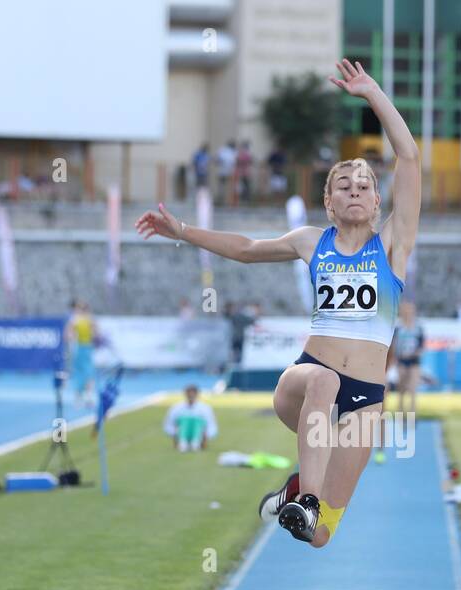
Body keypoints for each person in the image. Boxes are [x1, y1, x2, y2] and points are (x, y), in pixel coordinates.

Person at [136, 58, 419, 548]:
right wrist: (181, 231)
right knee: (326, 381)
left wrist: (373, 94)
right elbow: (246, 250)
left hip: (366, 400)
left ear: (378, 203)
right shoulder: (313, 241)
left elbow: (409, 159)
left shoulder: (394, 244)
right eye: (344, 187)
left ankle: (297, 496)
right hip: (308, 379)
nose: (356, 192)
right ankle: (305, 498)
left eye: (365, 187)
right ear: (329, 203)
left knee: (322, 536)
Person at [393, 300, 425, 416]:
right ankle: (400, 413)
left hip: (414, 360)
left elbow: (421, 345)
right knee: (401, 387)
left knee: (412, 387)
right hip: (401, 359)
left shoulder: (418, 327)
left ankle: (412, 413)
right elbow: (394, 344)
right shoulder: (398, 326)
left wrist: (414, 354)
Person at [164, 385, 219, 452]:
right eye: (189, 393)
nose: (191, 395)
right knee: (185, 420)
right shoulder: (176, 408)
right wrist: (174, 436)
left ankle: (195, 443)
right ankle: (183, 443)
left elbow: (211, 425)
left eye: (193, 393)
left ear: (197, 394)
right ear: (185, 393)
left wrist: (206, 437)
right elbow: (169, 424)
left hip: (200, 435)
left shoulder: (205, 408)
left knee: (197, 421)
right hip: (181, 434)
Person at [64, 301, 98, 408]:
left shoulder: (83, 320)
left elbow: (95, 333)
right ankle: (82, 396)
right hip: (80, 348)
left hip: (84, 348)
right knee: (83, 372)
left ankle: (85, 396)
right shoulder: (79, 320)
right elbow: (67, 334)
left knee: (86, 372)